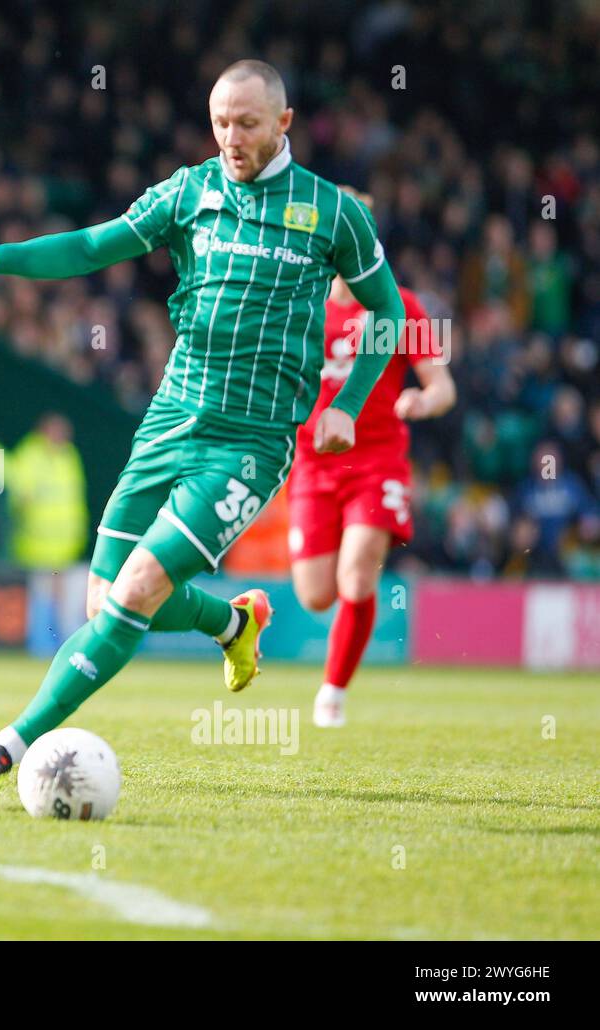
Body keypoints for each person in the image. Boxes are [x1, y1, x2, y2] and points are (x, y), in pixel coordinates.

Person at [0, 59, 405, 808]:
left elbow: (389, 314)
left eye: (247, 123)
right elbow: (95, 246)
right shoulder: (190, 192)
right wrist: (1, 259)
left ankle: (1, 752)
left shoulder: (332, 212)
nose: (231, 137)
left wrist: (349, 402)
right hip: (168, 424)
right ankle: (231, 619)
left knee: (139, 591)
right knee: (105, 604)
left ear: (284, 123)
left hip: (250, 444)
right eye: (220, 122)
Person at [288, 188, 456, 727]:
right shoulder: (300, 303)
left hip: (378, 459)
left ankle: (332, 693)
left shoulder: (401, 304)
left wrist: (422, 399)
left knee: (357, 576)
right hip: (314, 463)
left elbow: (442, 385)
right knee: (315, 595)